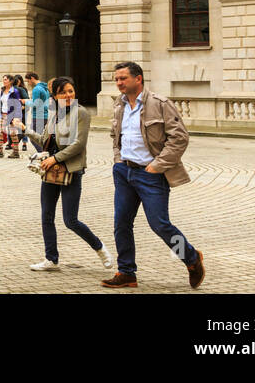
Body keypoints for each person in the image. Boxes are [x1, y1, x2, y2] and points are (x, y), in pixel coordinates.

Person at [103, 61, 205, 289]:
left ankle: (191, 258)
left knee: (159, 224)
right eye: (116, 79)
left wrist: (157, 165)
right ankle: (127, 272)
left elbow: (179, 138)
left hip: (151, 174)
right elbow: (115, 135)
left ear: (138, 79)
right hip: (123, 172)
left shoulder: (160, 104)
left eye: (123, 79)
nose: (118, 83)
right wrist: (118, 159)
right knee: (121, 223)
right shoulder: (118, 105)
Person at [24, 76, 112, 272]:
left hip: (71, 170)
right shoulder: (56, 114)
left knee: (70, 220)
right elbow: (45, 140)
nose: (68, 95)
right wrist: (26, 130)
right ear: (55, 96)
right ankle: (51, 259)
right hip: (51, 171)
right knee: (46, 216)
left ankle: (100, 248)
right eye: (63, 92)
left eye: (70, 91)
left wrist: (55, 159)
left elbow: (78, 144)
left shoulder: (81, 113)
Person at [0, 75, 21, 158]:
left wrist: (16, 117)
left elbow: (17, 104)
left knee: (13, 134)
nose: (4, 81)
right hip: (3, 115)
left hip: (11, 115)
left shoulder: (14, 91)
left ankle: (16, 152)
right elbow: (1, 102)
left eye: (5, 80)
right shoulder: (2, 90)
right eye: (3, 80)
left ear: (11, 81)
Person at [25, 71, 50, 139]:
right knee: (41, 137)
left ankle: (42, 150)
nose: (28, 83)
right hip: (45, 115)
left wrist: (26, 102)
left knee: (34, 138)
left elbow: (36, 104)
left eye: (28, 81)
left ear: (32, 78)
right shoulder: (46, 88)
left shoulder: (36, 89)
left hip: (38, 116)